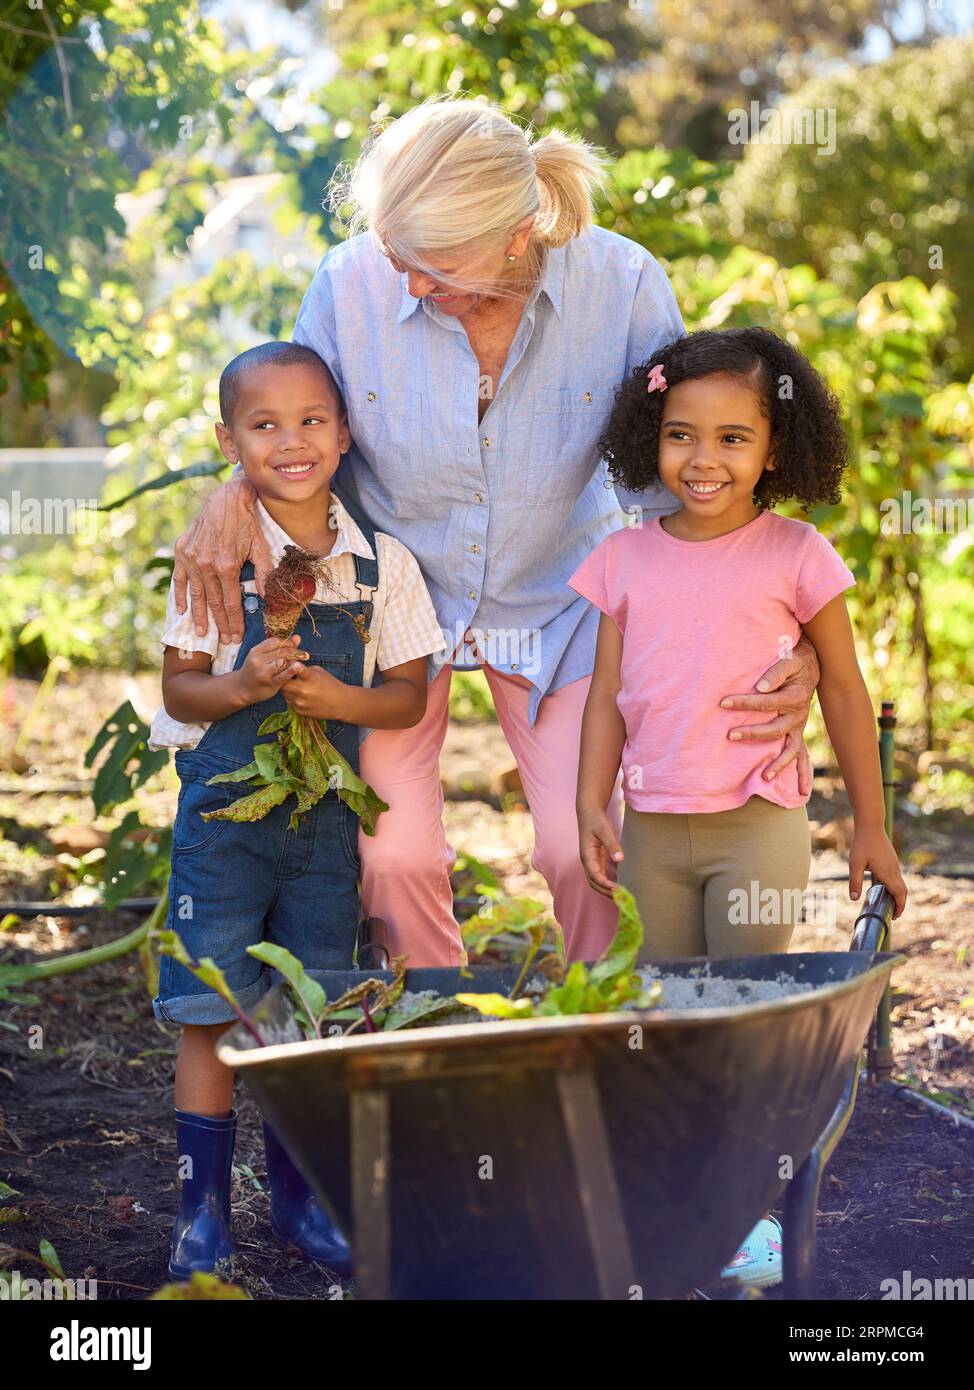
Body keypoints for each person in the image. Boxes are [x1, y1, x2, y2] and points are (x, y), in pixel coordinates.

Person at [171, 95, 823, 967]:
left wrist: (797, 638)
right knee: (392, 856)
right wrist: (228, 494)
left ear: (518, 235)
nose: (404, 279)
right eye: (394, 251)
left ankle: (615, 1036)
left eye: (432, 261)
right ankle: (439, 1039)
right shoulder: (350, 281)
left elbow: (703, 470)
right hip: (398, 610)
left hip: (562, 600)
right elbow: (291, 425)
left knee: (583, 849)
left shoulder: (622, 286)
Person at [569, 325, 908, 1287]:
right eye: (682, 435)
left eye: (733, 438)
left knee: (743, 1028)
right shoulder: (625, 558)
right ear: (651, 437)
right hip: (653, 835)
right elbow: (604, 696)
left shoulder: (798, 554)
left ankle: (748, 1219)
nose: (704, 459)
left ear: (775, 448)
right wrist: (593, 802)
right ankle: (678, 1209)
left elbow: (843, 691)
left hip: (757, 829)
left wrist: (870, 830)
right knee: (667, 1021)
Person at [148, 341, 447, 1281]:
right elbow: (178, 690)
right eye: (264, 424)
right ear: (229, 439)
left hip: (322, 825)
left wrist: (339, 703)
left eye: (312, 420)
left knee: (307, 1006)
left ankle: (301, 1201)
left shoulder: (380, 565)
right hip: (224, 831)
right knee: (213, 1008)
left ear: (345, 432)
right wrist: (242, 687)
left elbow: (407, 689)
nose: (291, 441)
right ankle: (201, 1215)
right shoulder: (214, 561)